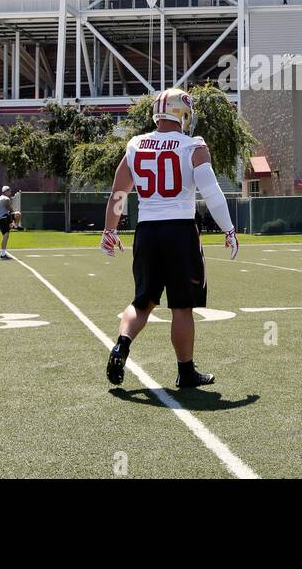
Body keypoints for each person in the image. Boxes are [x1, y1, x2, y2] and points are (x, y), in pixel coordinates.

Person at [100, 88, 239, 389]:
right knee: (181, 306)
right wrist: (228, 228)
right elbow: (212, 192)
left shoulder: (135, 145)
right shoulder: (193, 146)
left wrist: (109, 230)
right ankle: (185, 371)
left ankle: (121, 345)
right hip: (179, 231)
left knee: (142, 302)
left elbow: (119, 193)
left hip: (147, 232)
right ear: (183, 113)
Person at [0, 185, 16, 260]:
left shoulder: (1, 197)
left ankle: (3, 253)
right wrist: (14, 217)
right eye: (9, 190)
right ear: (5, 191)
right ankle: (15, 226)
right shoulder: (6, 198)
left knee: (6, 235)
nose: (10, 191)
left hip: (1, 218)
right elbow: (9, 209)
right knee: (18, 214)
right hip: (3, 218)